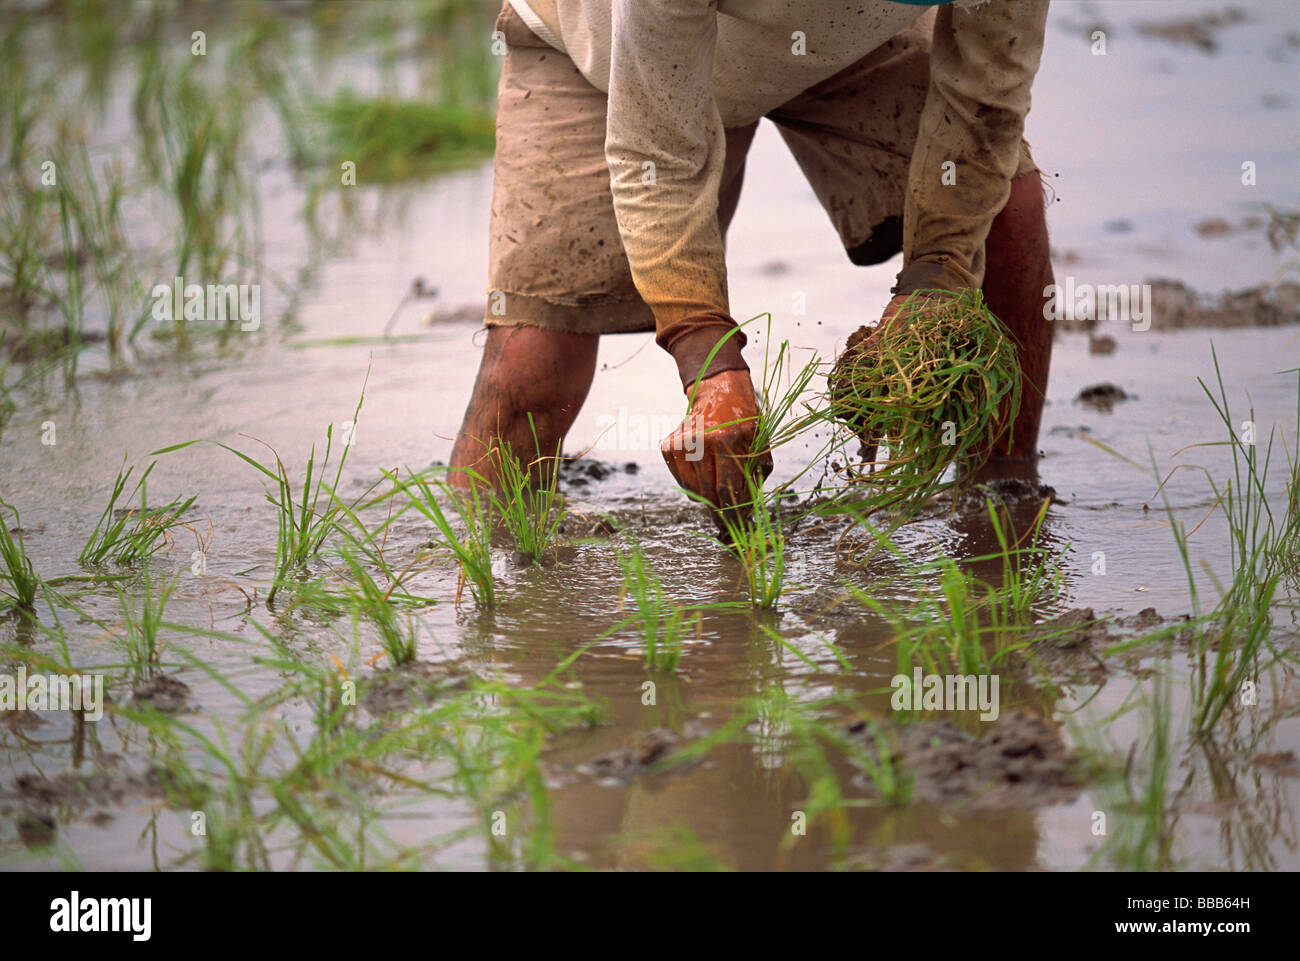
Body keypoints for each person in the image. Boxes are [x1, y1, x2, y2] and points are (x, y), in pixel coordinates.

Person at [450, 0, 1055, 517]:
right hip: (603, 48)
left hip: (846, 40)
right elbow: (653, 155)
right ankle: (488, 577)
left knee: (1007, 216)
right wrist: (709, 364)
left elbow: (985, 109)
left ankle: (1003, 506)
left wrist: (936, 279)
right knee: (535, 356)